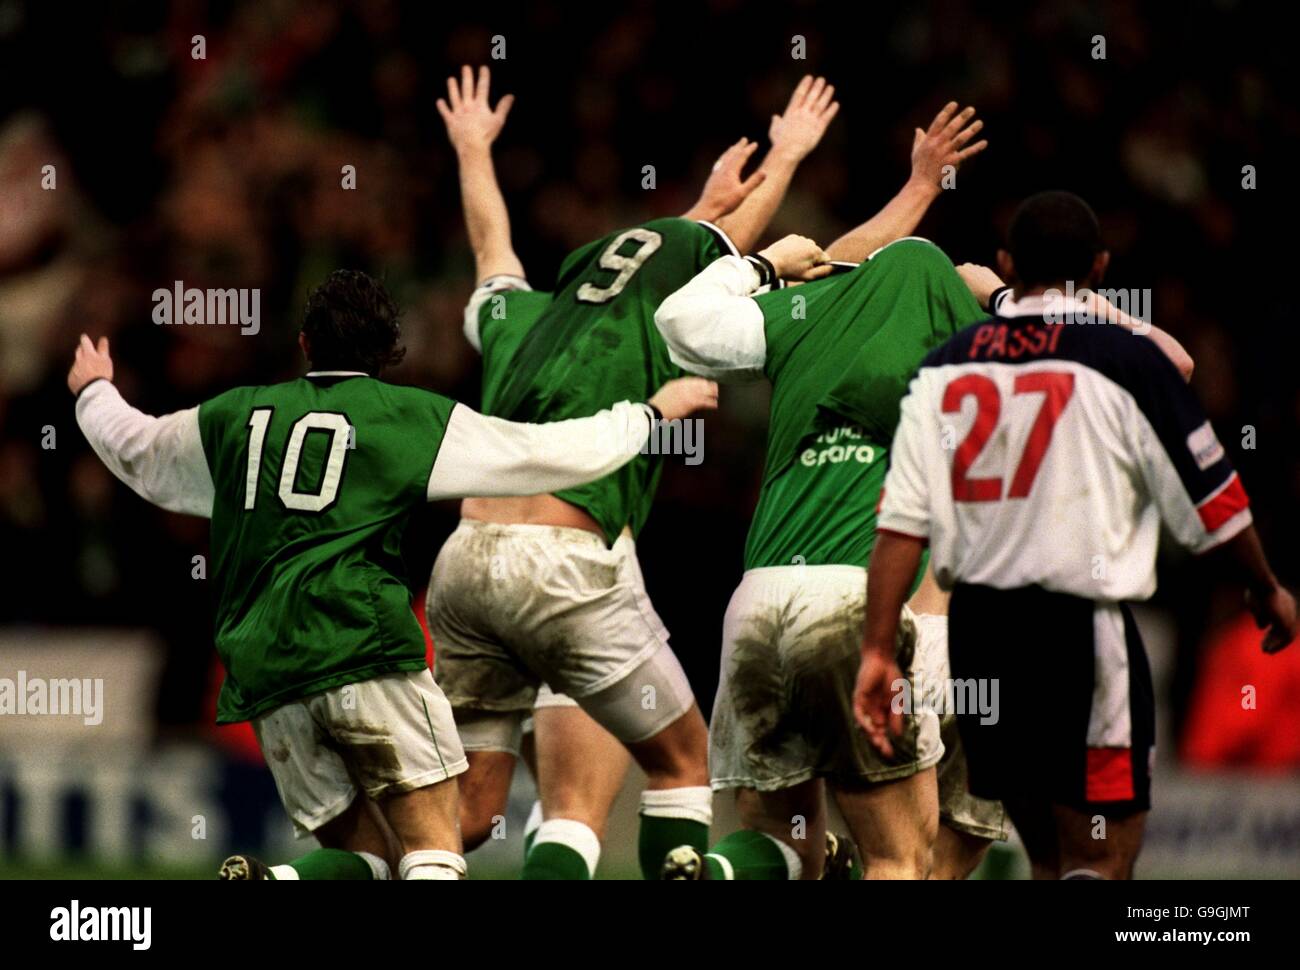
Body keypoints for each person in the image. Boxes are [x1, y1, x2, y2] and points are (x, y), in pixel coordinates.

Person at [69, 268, 717, 880]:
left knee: (372, 858)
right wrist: (650, 415)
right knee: (435, 846)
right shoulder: (407, 417)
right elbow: (543, 454)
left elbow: (138, 449)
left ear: (304, 343)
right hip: (364, 650)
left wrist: (94, 390)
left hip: (267, 676)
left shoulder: (234, 416)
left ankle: (285, 878)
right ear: (388, 353)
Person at [430, 65, 840, 879]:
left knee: (470, 817)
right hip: (563, 567)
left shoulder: (523, 320)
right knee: (683, 762)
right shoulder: (666, 318)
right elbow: (714, 263)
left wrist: (472, 149)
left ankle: (330, 870)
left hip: (464, 564)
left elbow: (492, 246)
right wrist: (785, 162)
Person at [854, 190, 1297, 879]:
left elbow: (900, 526)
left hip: (981, 634)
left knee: (1048, 859)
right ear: (1099, 266)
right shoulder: (1119, 355)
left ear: (1005, 262)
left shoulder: (945, 365)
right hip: (1077, 633)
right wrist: (1264, 587)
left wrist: (878, 649)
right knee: (1101, 860)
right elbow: (1215, 495)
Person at [651, 101, 1009, 880]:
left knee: (788, 849)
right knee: (901, 855)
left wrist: (764, 265)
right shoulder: (956, 343)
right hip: (871, 610)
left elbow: (681, 320)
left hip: (754, 605)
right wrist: (1001, 296)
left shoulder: (804, 322)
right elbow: (1134, 358)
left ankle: (720, 871)